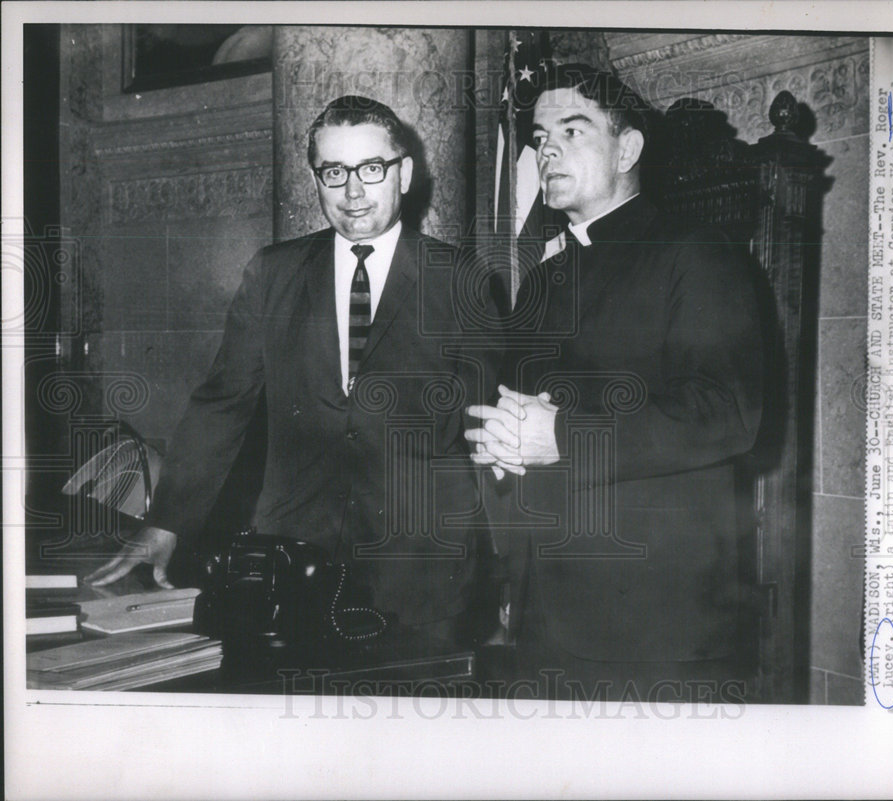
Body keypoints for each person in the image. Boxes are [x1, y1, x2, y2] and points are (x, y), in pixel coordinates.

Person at [87, 96, 495, 646]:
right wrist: (167, 522)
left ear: (403, 173)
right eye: (335, 172)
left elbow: (491, 431)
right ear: (316, 178)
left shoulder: (460, 280)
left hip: (423, 572)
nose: (353, 191)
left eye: (371, 169)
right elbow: (222, 404)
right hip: (294, 564)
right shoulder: (273, 273)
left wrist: (514, 575)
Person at [467, 65, 764, 702]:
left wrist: (559, 438)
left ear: (627, 149)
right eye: (541, 137)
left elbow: (727, 411)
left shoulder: (696, 251)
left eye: (573, 132)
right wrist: (496, 445)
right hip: (547, 608)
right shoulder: (546, 279)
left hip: (658, 624)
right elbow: (517, 412)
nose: (547, 150)